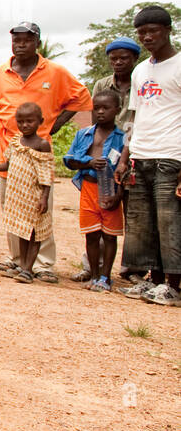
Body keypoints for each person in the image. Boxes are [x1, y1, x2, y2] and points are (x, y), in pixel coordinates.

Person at [0, 21, 91, 281]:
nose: (20, 44)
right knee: (12, 208)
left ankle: (43, 264)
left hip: (38, 154)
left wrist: (54, 127)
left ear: (37, 42)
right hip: (9, 150)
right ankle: (17, 259)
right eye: (16, 40)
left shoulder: (54, 72)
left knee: (41, 209)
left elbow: (82, 96)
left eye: (27, 40)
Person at [115, 6, 181, 305]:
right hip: (141, 155)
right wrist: (125, 156)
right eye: (141, 32)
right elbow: (134, 117)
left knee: (170, 223)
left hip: (172, 155)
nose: (147, 37)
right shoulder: (141, 70)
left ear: (168, 30)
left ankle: (175, 286)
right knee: (143, 223)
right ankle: (151, 280)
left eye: (152, 31)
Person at [72, 38, 141, 283]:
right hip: (104, 156)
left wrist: (126, 153)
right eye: (114, 58)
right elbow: (94, 119)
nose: (119, 62)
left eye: (124, 58)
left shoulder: (141, 82)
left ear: (134, 59)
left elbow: (136, 122)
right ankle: (93, 268)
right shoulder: (102, 84)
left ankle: (131, 269)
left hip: (134, 148)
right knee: (96, 214)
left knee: (130, 211)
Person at [0, 102, 53, 285]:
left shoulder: (42, 144)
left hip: (34, 196)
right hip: (18, 196)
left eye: (30, 121)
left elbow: (47, 175)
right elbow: (6, 165)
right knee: (22, 232)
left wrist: (44, 197)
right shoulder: (16, 142)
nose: (25, 125)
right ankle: (24, 267)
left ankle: (29, 269)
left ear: (40, 121)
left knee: (34, 233)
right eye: (21, 121)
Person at [62, 90, 125, 293]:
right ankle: (95, 275)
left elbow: (126, 170)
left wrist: (119, 195)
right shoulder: (84, 134)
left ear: (117, 109)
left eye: (105, 108)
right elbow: (69, 160)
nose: (100, 112)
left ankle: (106, 277)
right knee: (91, 234)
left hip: (110, 190)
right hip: (88, 188)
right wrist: (88, 161)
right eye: (96, 107)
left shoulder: (122, 138)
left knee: (109, 236)